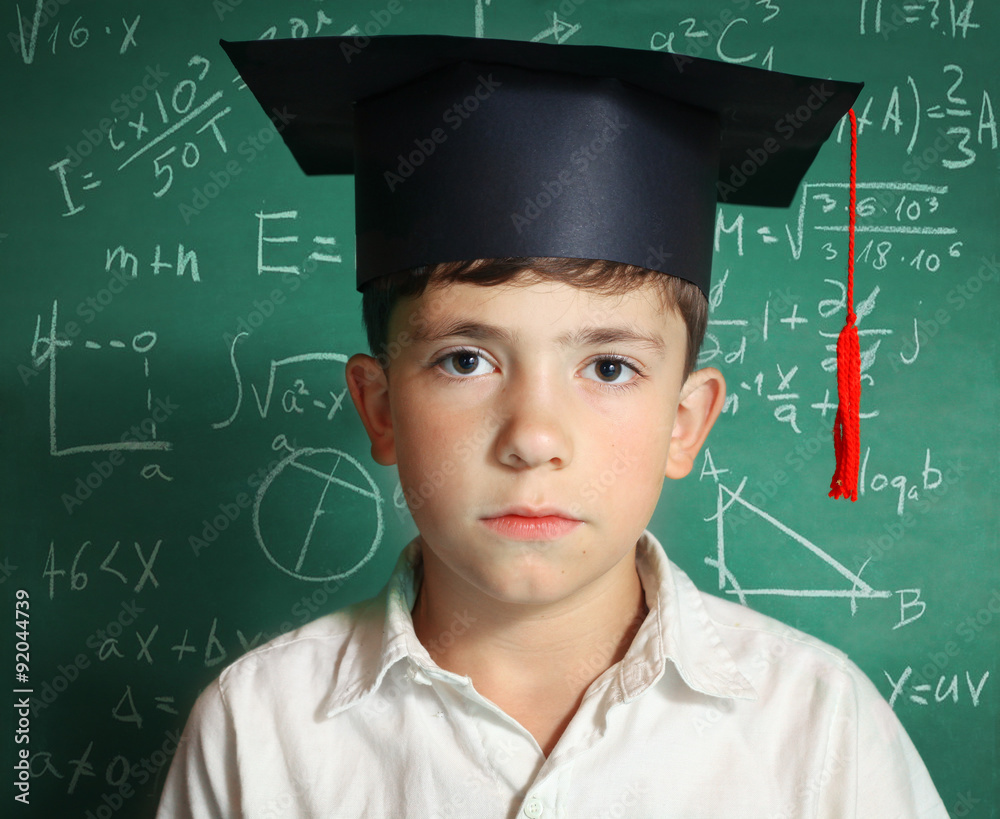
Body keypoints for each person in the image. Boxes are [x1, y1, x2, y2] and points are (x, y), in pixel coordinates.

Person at [156, 34, 949, 817]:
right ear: (380, 408)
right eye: (466, 360)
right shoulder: (258, 732)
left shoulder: (821, 730)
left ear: (685, 422)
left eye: (608, 368)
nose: (533, 438)